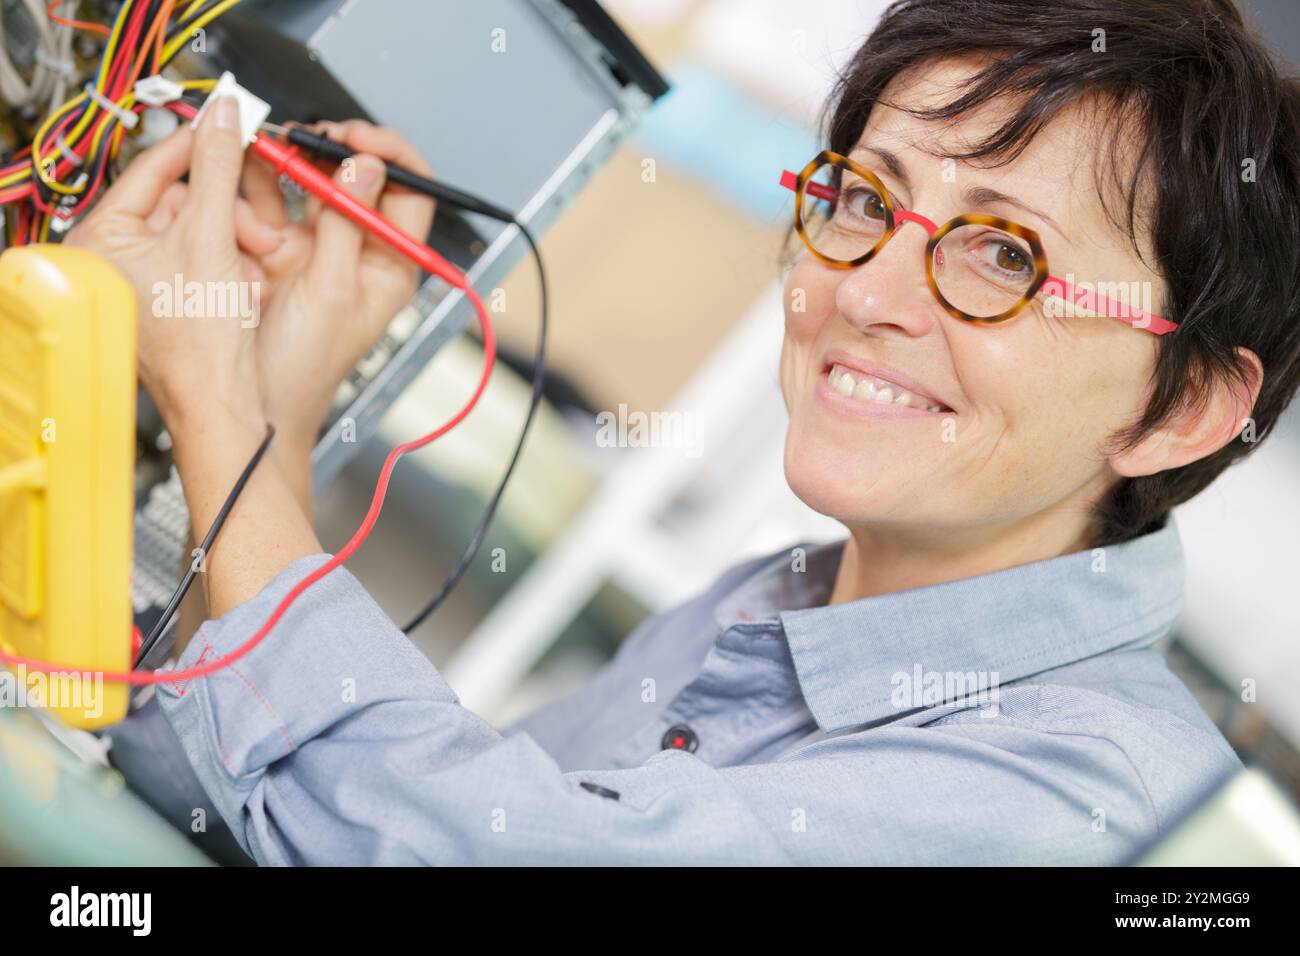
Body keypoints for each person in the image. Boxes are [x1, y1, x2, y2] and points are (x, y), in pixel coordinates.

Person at [85, 0, 1300, 864]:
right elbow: (333, 818)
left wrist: (224, 409)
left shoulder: (1092, 802)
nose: (867, 292)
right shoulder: (769, 605)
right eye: (866, 201)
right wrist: (268, 412)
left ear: (1179, 405)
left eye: (1000, 255)